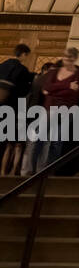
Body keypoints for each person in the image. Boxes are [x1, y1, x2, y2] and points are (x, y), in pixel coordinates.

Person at [33, 50, 79, 173]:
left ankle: (49, 170)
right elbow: (46, 89)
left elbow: (72, 91)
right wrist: (66, 86)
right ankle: (38, 170)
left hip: (66, 110)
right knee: (42, 140)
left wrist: (54, 89)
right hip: (50, 109)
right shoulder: (54, 72)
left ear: (75, 58)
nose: (67, 59)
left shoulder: (78, 73)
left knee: (56, 142)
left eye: (70, 57)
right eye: (65, 57)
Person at [0, 44, 33, 175]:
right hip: (11, 109)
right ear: (24, 54)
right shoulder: (22, 70)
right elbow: (24, 91)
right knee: (7, 142)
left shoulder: (2, 65)